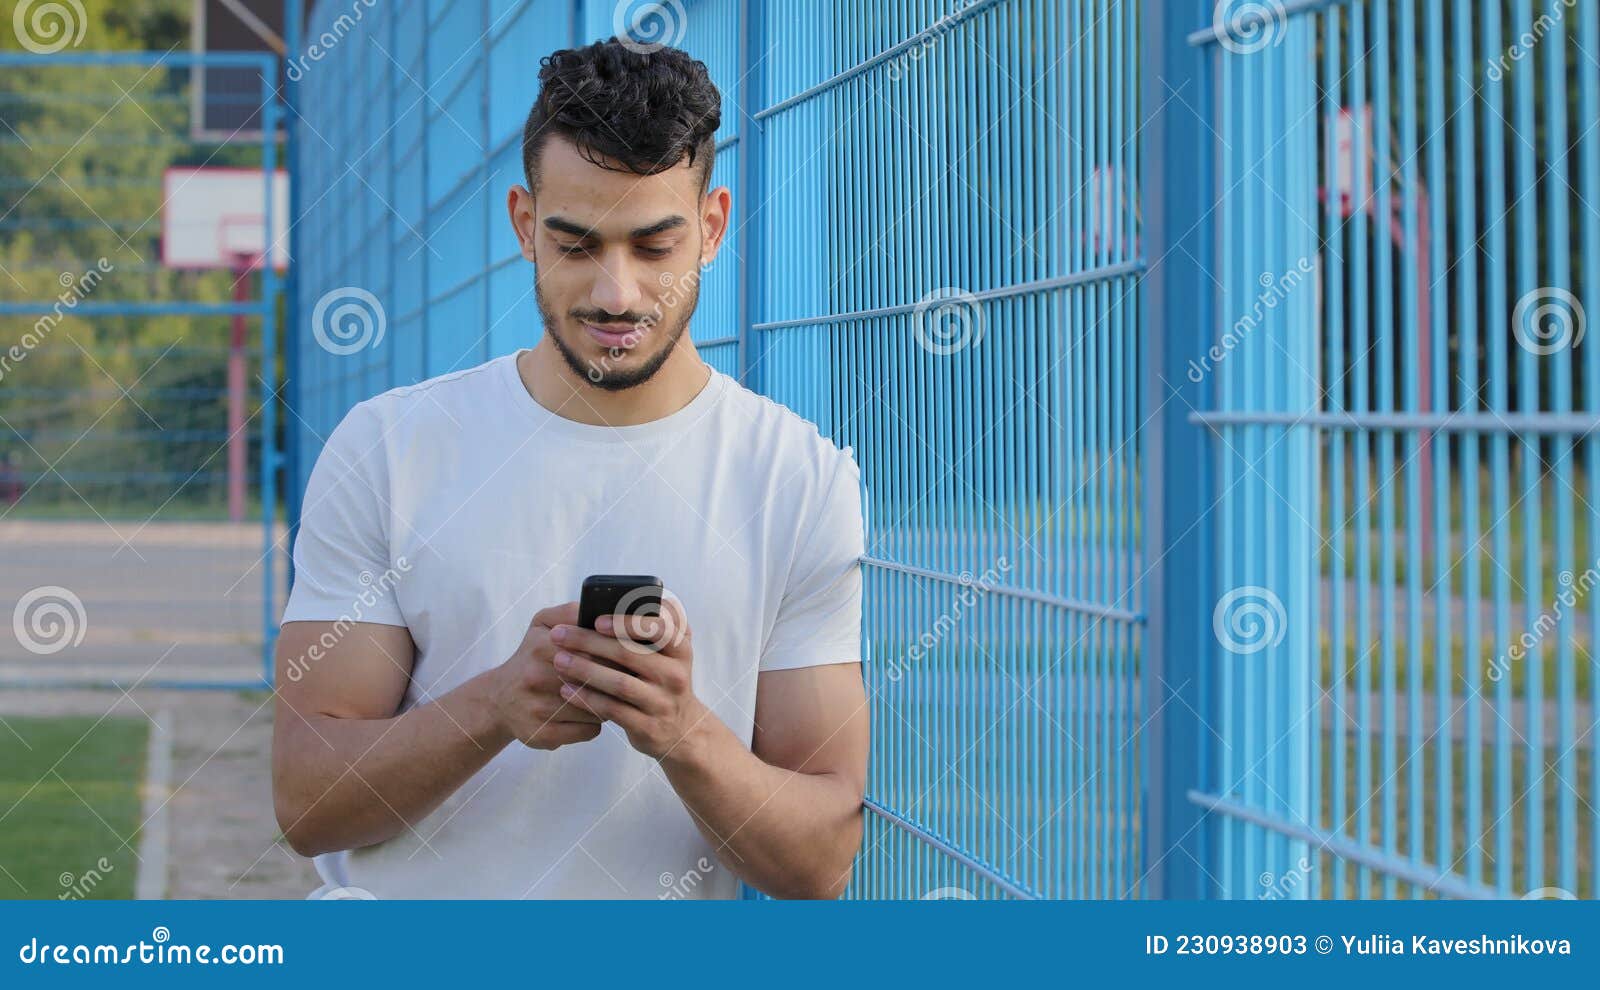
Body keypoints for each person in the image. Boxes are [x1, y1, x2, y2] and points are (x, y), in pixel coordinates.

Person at [272, 38, 868, 900]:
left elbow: (820, 861)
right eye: (577, 244)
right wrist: (495, 707)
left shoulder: (800, 483)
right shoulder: (388, 449)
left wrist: (682, 732)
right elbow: (306, 803)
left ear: (712, 228)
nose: (616, 294)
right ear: (524, 225)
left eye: (654, 247)